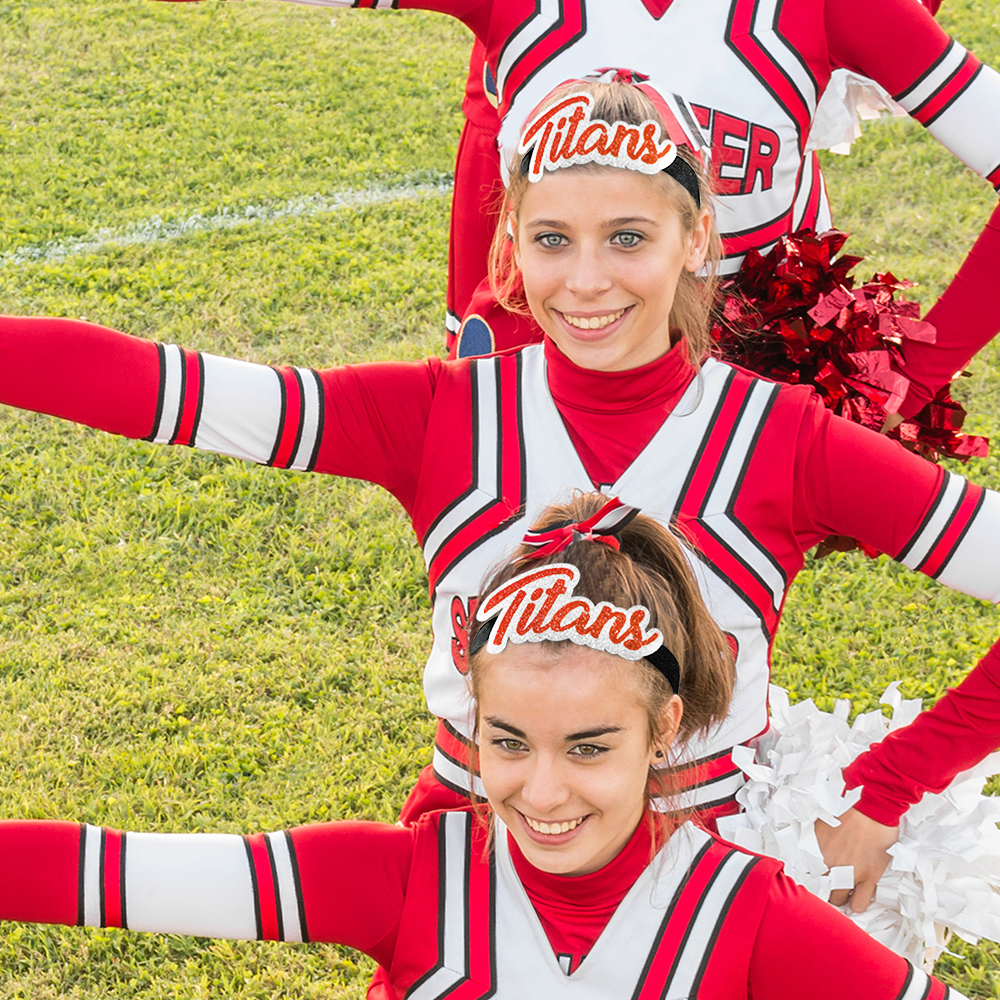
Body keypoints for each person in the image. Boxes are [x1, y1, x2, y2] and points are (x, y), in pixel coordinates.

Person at [1, 79, 998, 913]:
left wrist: (885, 788)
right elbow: (169, 393)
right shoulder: (439, 413)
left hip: (705, 884)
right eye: (553, 239)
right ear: (510, 242)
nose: (587, 281)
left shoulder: (783, 441)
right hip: (474, 858)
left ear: (695, 239)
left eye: (627, 237)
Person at [0, 496, 971, 998]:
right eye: (509, 740)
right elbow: (113, 873)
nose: (540, 792)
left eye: (588, 747)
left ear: (663, 728)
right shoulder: (407, 880)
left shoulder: (742, 913)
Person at [173, 0, 1000, 422]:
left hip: (734, 356)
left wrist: (917, 378)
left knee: (704, 654)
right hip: (550, 333)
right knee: (511, 613)